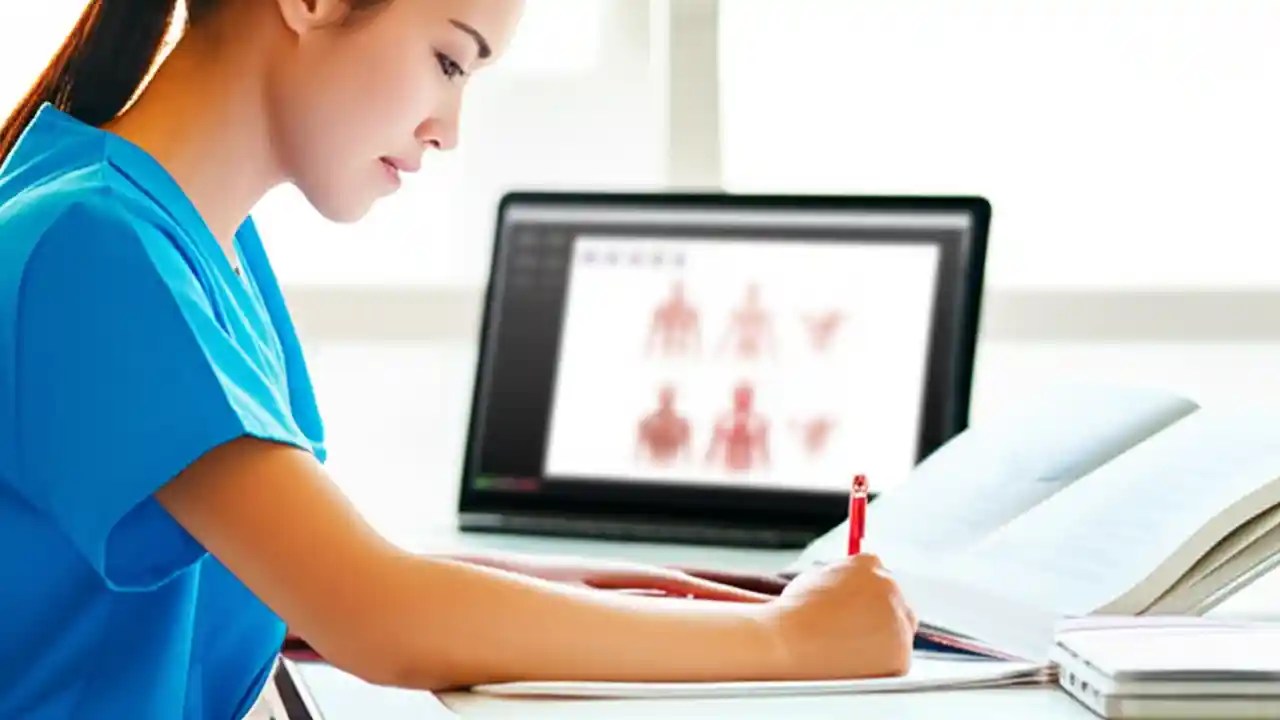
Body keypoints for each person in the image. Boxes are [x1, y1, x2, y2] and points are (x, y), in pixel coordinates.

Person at [0, 1, 917, 718]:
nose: (449, 129)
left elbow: (296, 577)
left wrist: (562, 600)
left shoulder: (186, 240)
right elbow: (376, 614)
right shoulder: (98, 249)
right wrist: (789, 641)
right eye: (449, 60)